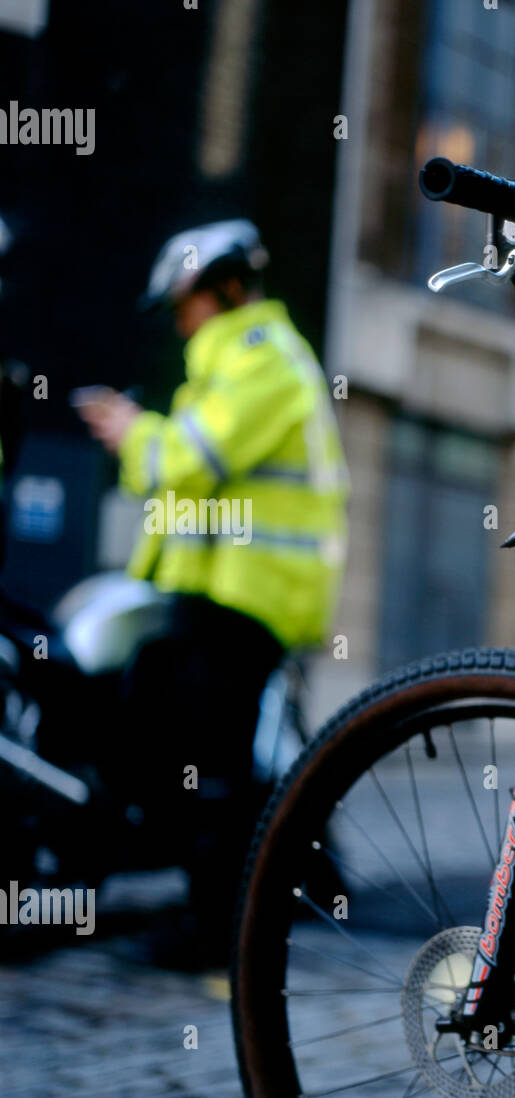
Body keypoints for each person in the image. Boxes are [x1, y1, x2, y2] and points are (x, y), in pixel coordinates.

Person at [76, 220, 348, 968]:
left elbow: (189, 462)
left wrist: (133, 427)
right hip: (221, 595)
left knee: (213, 767)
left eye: (184, 300)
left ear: (223, 289)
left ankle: (217, 931)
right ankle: (246, 899)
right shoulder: (233, 362)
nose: (178, 317)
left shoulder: (261, 359)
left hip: (249, 596)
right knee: (186, 744)